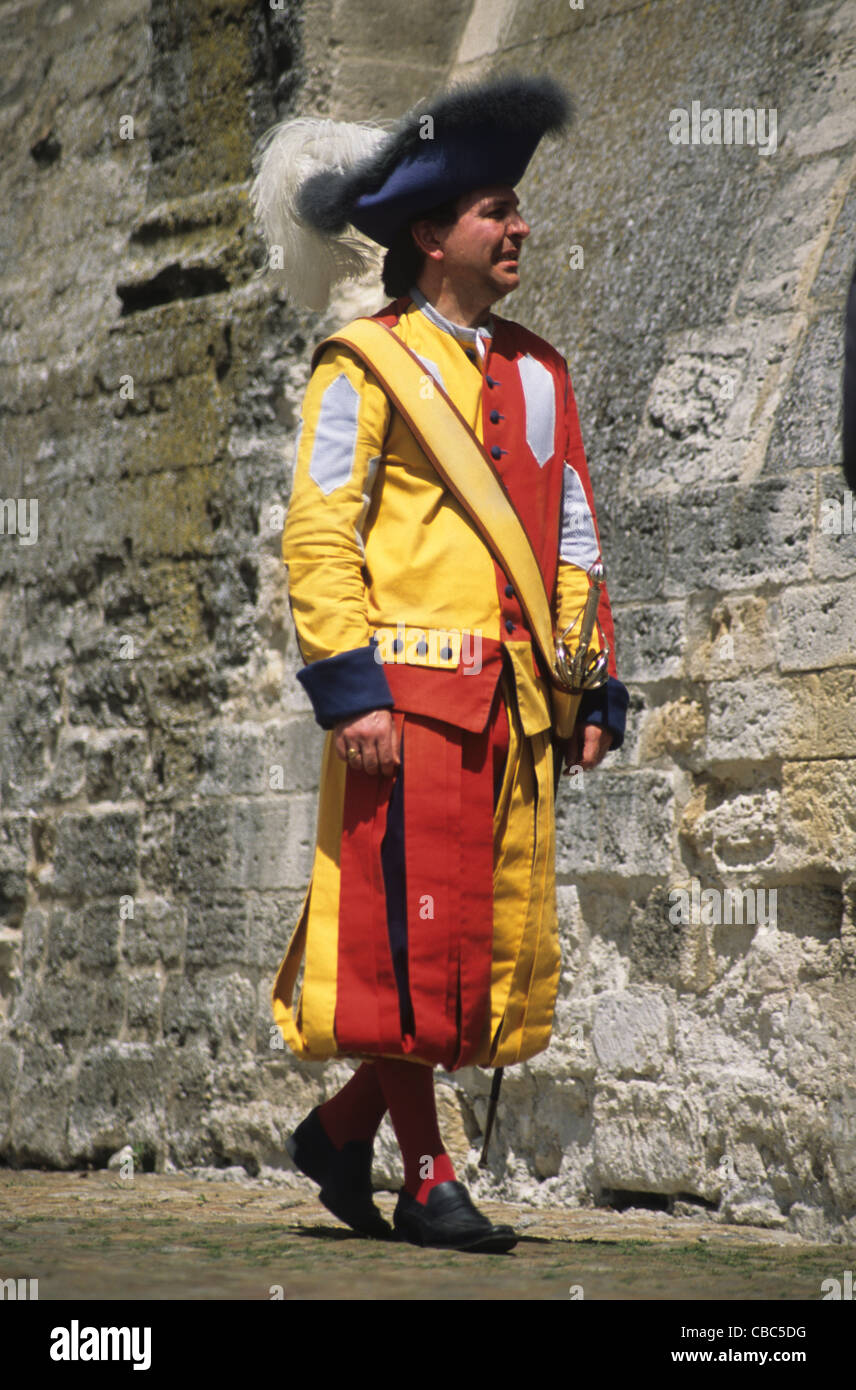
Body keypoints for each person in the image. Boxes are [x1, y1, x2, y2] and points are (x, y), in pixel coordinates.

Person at [250, 72, 629, 1253]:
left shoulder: (540, 370)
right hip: (403, 703)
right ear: (430, 235)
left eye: (515, 206)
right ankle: (425, 1174)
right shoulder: (358, 366)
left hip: (513, 709)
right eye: (491, 210)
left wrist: (590, 678)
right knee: (404, 949)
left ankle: (338, 1133)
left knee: (469, 960)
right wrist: (351, 688)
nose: (517, 227)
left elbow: (571, 531)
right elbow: (318, 531)